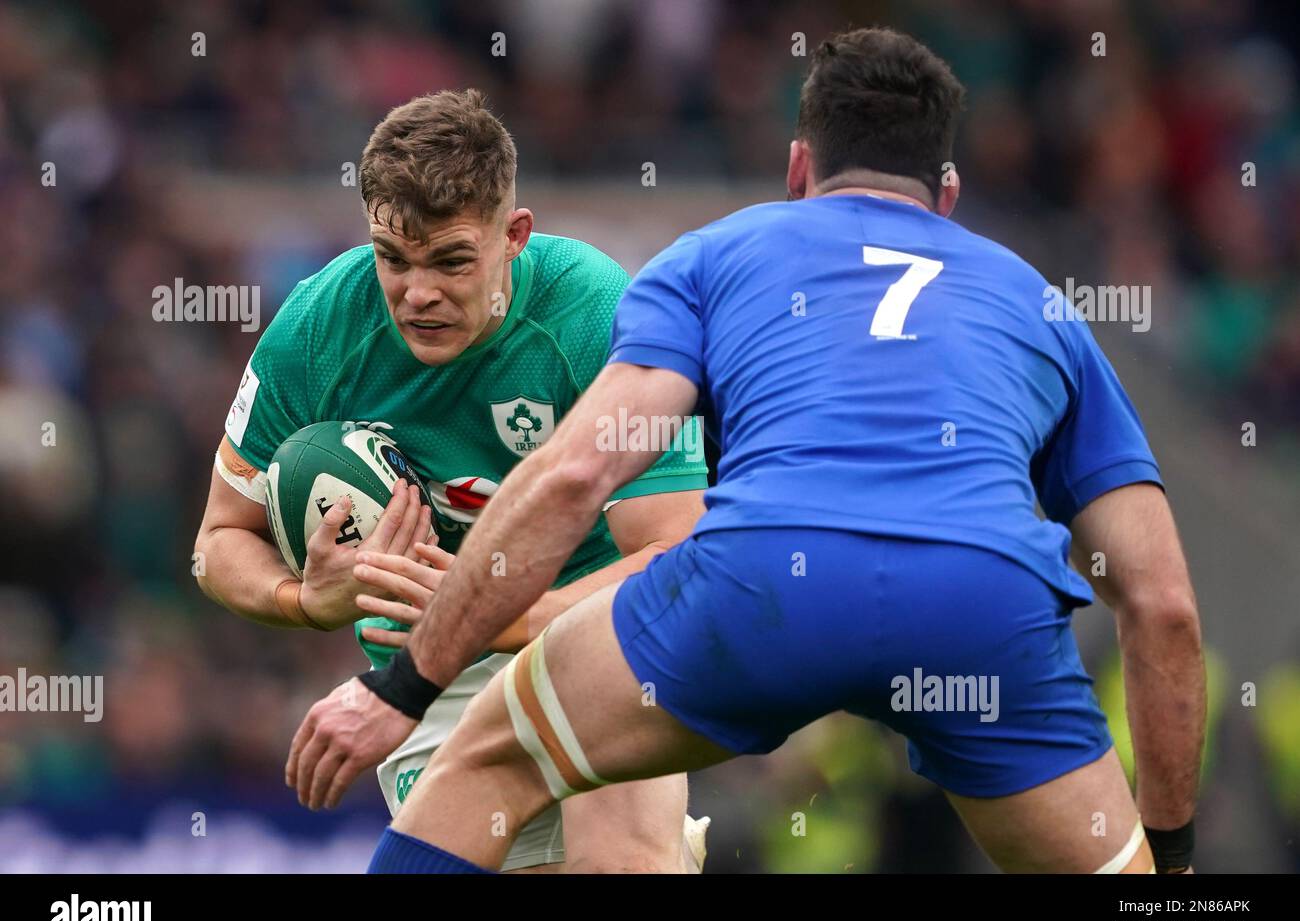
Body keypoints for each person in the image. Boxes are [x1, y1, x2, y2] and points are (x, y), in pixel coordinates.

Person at [295, 28, 1205, 875]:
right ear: (949, 195)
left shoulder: (713, 257)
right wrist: (1176, 850)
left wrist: (407, 685)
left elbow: (578, 472)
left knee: (486, 760)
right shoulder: (1037, 301)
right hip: (979, 604)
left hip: (770, 578)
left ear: (798, 169)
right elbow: (1163, 605)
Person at [195, 89, 710, 873]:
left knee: (621, 864)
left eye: (451, 260)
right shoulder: (318, 326)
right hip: (425, 673)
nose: (418, 293)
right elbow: (218, 540)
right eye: (392, 259)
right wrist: (301, 600)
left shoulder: (597, 312)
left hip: (591, 626)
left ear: (515, 237)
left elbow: (676, 558)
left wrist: (491, 614)